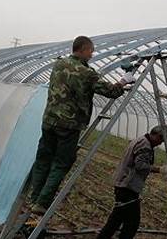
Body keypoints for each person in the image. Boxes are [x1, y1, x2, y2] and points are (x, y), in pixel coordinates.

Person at [30, 35, 136, 215]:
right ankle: (42, 203)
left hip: (49, 120)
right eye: (91, 50)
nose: (92, 54)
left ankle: (34, 197)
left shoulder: (59, 65)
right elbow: (110, 91)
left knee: (43, 159)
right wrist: (125, 79)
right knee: (61, 163)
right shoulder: (86, 73)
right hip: (68, 125)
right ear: (83, 49)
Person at [97, 126, 167, 239]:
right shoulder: (145, 146)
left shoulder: (140, 139)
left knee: (116, 220)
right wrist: (160, 169)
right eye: (161, 140)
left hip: (122, 184)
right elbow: (140, 165)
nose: (160, 143)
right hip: (128, 187)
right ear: (157, 135)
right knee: (132, 223)